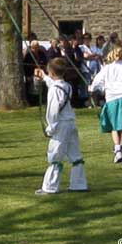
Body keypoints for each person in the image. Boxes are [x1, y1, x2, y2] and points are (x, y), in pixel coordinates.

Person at [34, 58, 87, 194]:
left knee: (55, 154)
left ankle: (50, 187)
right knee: (74, 154)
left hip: (61, 125)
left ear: (51, 71)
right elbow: (54, 83)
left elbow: (52, 111)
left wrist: (51, 127)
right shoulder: (67, 86)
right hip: (70, 123)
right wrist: (45, 77)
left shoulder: (54, 90)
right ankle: (79, 184)